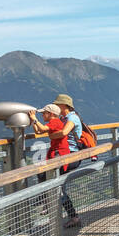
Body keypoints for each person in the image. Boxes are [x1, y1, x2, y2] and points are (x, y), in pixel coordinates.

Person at [30, 97, 80, 228]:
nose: (42, 115)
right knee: (55, 185)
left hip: (62, 156)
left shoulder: (57, 121)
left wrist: (35, 118)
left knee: (55, 186)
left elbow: (61, 132)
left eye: (44, 113)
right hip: (58, 155)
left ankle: (47, 201)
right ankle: (48, 201)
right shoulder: (60, 120)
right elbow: (39, 130)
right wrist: (33, 121)